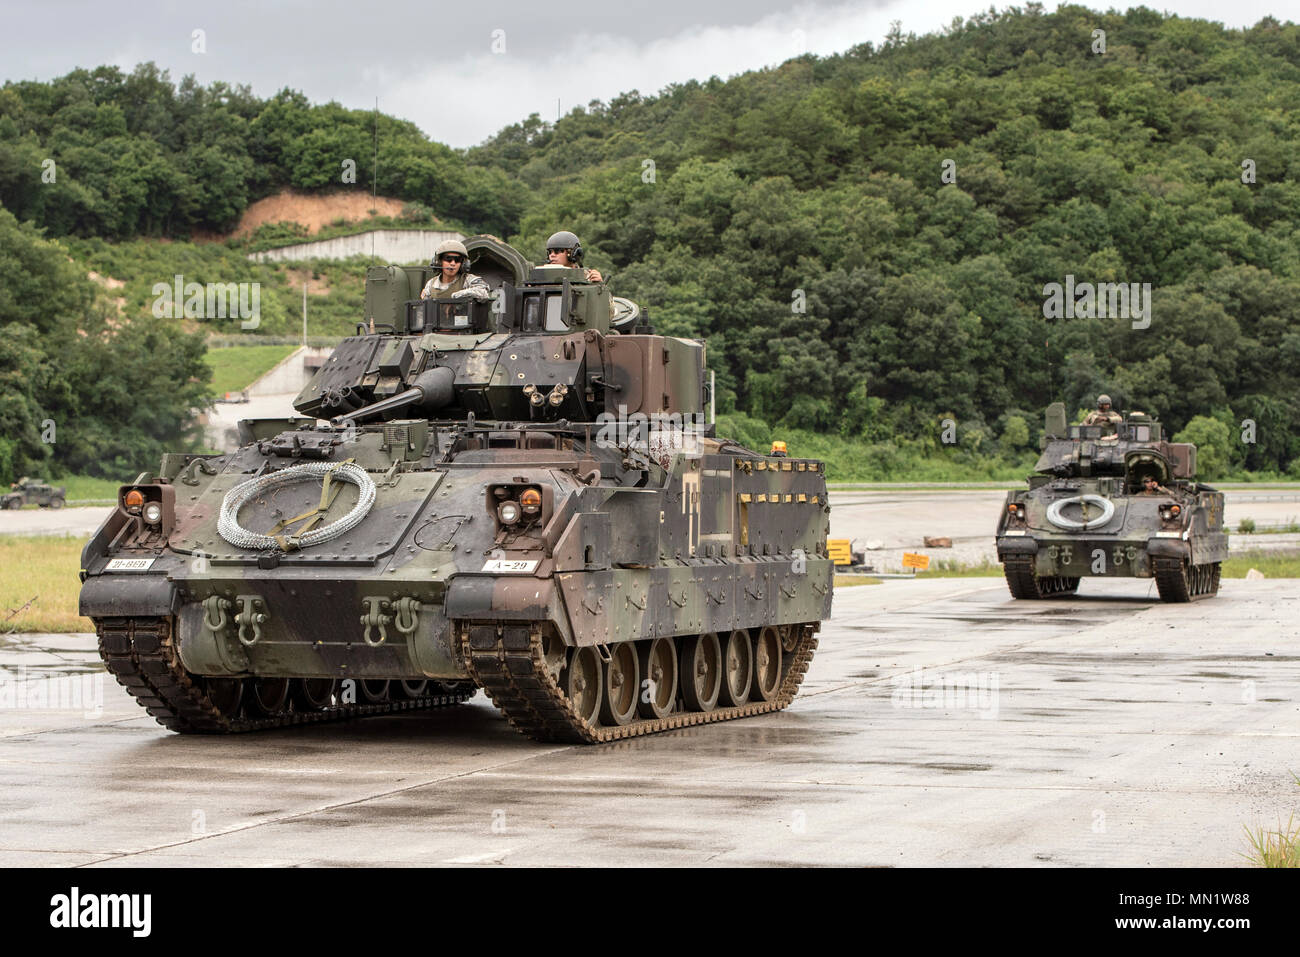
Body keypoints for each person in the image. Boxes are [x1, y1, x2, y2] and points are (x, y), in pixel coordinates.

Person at [420, 239, 490, 300]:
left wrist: (458, 295)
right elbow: (423, 310)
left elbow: (484, 293)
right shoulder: (431, 284)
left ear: (463, 264)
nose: (453, 263)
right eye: (448, 259)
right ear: (439, 261)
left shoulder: (468, 280)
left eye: (457, 260)